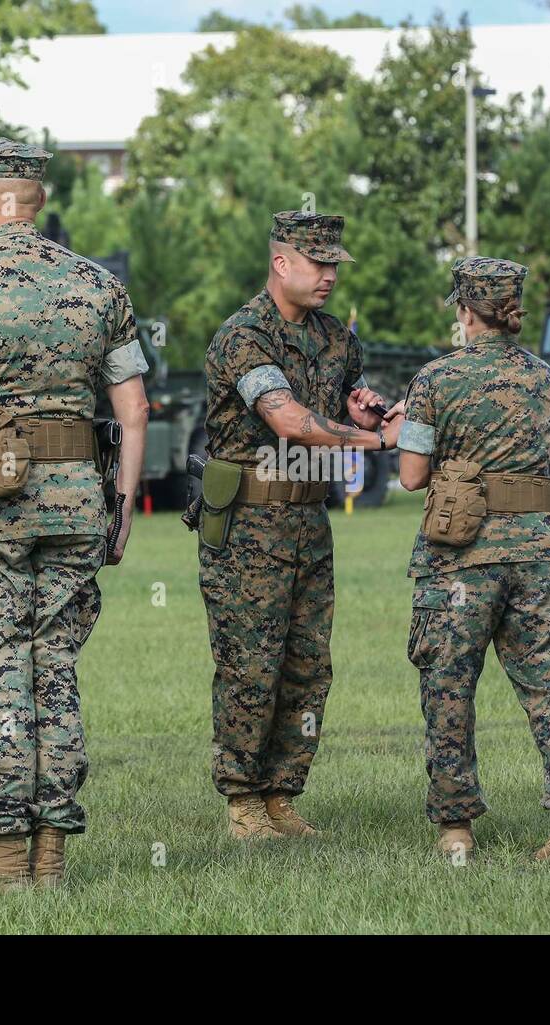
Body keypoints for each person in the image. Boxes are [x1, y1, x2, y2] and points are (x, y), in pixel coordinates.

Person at [0, 136, 149, 890]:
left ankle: (4, 858)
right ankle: (52, 858)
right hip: (78, 504)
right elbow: (134, 408)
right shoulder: (97, 285)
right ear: (36, 200)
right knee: (55, 672)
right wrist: (123, 506)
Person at [389, 256, 550, 863]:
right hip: (540, 549)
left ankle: (456, 830)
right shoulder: (540, 377)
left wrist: (409, 427)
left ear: (464, 311)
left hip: (461, 556)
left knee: (450, 687)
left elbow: (411, 477)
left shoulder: (433, 379)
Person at [199, 210, 388, 841]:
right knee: (250, 661)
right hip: (250, 522)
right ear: (281, 262)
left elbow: (341, 399)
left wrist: (363, 406)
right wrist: (373, 438)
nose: (330, 275)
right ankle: (243, 798)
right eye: (318, 263)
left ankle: (283, 792)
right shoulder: (244, 336)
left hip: (308, 517)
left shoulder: (335, 337)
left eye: (335, 264)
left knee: (307, 664)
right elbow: (289, 421)